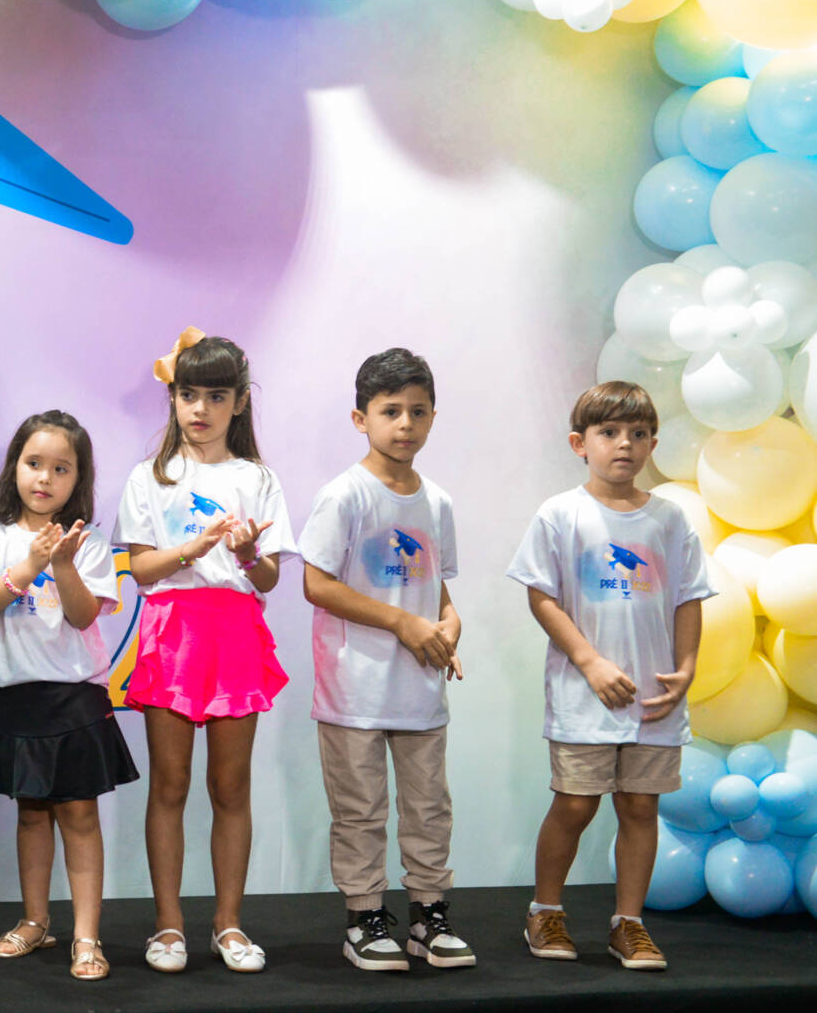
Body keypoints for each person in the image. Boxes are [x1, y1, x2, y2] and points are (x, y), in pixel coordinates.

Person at [507, 382, 710, 971]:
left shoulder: (670, 520)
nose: (625, 444)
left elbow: (689, 599)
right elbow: (542, 598)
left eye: (639, 434)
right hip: (582, 698)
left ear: (652, 443)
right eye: (609, 433)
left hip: (653, 699)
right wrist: (591, 662)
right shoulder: (561, 513)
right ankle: (545, 910)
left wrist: (688, 668)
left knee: (640, 808)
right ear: (580, 442)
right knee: (574, 805)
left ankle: (630, 923)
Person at [116, 331, 294, 975]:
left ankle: (228, 924)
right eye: (187, 395)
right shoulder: (150, 476)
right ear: (173, 398)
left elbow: (270, 576)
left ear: (239, 403)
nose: (199, 409)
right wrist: (194, 548)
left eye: (215, 396)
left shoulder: (258, 479)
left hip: (236, 631)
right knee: (169, 784)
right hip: (173, 629)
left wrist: (246, 552)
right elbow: (139, 569)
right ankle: (167, 926)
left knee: (230, 786)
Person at [300, 349, 474, 972]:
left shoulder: (439, 503)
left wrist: (449, 624)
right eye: (390, 411)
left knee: (430, 807)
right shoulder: (344, 496)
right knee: (360, 810)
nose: (405, 424)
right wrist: (401, 621)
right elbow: (316, 584)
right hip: (354, 690)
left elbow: (438, 585)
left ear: (433, 418)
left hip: (421, 690)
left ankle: (430, 915)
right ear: (361, 418)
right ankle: (364, 917)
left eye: (418, 411)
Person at [0, 410, 138, 981]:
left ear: (77, 479)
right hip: (15, 699)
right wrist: (28, 564)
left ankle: (86, 936)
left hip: (74, 700)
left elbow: (85, 614)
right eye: (34, 463)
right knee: (31, 814)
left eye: (61, 469)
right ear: (15, 465)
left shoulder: (87, 542)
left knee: (79, 814)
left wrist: (61, 564)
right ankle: (36, 921)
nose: (44, 478)